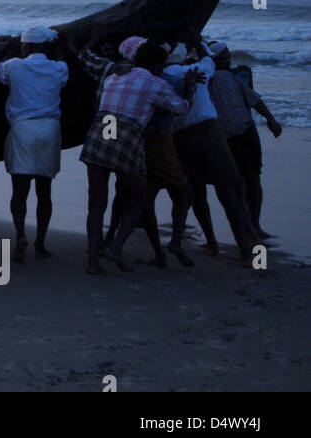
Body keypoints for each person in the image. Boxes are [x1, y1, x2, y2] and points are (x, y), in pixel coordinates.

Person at [82, 33, 195, 268]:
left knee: (96, 204)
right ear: (156, 64)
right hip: (126, 136)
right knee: (137, 199)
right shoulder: (156, 83)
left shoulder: (114, 75)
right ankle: (115, 246)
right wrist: (190, 90)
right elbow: (180, 108)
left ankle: (93, 261)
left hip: (100, 131)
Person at [163, 32, 257, 260]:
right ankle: (247, 250)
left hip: (179, 138)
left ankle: (203, 242)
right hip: (207, 131)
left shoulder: (161, 76)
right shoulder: (198, 71)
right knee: (229, 188)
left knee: (192, 192)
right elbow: (209, 60)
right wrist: (199, 44)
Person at [0, 26, 68, 263]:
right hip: (49, 129)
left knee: (20, 191)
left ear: (24, 46)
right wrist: (59, 48)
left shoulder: (14, 65)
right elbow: (64, 64)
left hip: (23, 129)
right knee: (44, 192)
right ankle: (41, 243)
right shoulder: (59, 68)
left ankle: (20, 236)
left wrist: (11, 49)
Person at [208, 41, 282, 241]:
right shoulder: (205, 78)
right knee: (239, 182)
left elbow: (254, 99)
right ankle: (247, 226)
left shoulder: (232, 78)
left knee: (253, 179)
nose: (228, 59)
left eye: (228, 56)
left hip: (246, 132)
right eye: (224, 56)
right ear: (214, 60)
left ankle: (254, 224)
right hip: (226, 136)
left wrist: (271, 119)